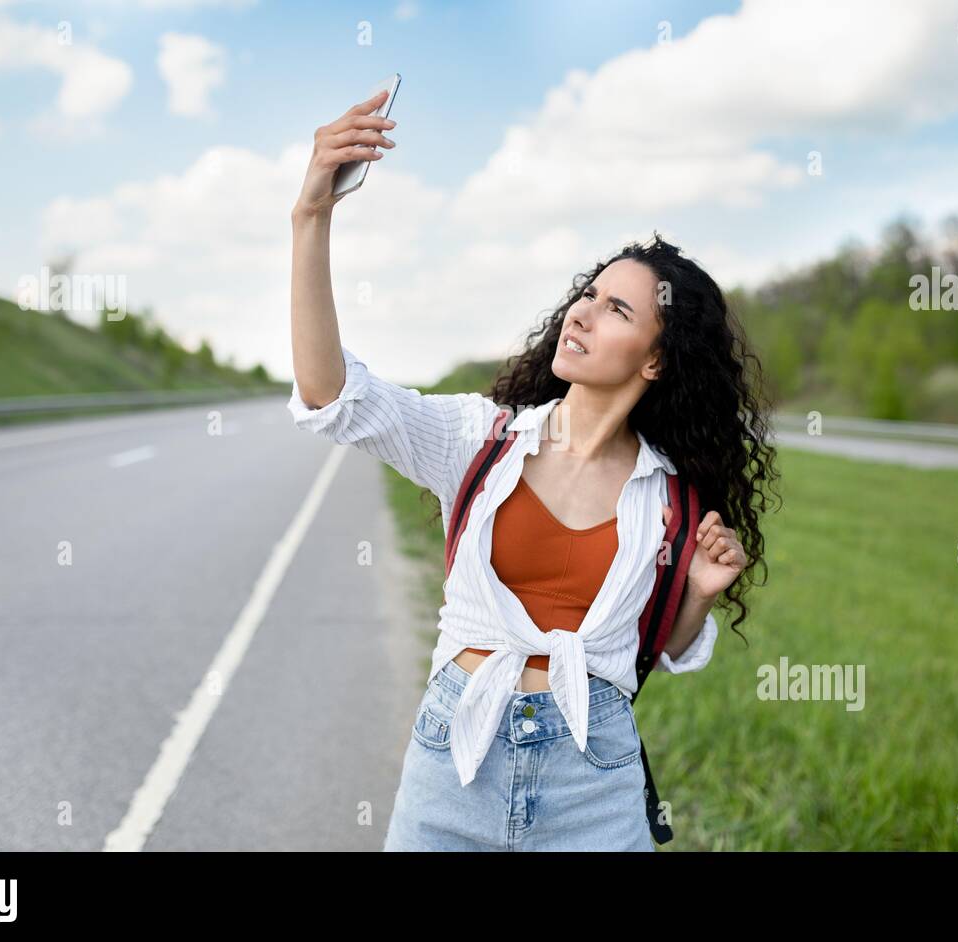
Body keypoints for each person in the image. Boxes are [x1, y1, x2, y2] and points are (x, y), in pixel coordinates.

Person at [288, 90, 780, 850]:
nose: (580, 313)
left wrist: (700, 597)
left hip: (594, 778)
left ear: (657, 358)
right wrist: (311, 216)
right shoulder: (478, 441)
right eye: (587, 295)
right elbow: (333, 395)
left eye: (617, 309)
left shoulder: (674, 499)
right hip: (454, 761)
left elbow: (663, 649)